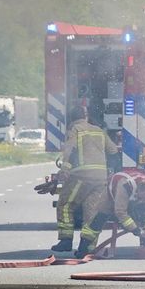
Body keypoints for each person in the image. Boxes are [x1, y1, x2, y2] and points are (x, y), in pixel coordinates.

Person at [50, 106, 117, 252]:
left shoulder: (75, 129)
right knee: (91, 211)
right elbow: (113, 150)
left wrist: (65, 169)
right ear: (85, 116)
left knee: (65, 204)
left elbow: (69, 150)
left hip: (82, 176)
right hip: (100, 178)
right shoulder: (99, 130)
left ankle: (66, 241)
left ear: (71, 119)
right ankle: (89, 246)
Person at [75, 168, 145, 258]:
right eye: (141, 197)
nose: (143, 200)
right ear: (137, 191)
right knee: (98, 219)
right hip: (111, 197)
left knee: (144, 216)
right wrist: (134, 228)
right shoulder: (125, 186)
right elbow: (120, 211)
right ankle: (83, 248)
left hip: (132, 199)